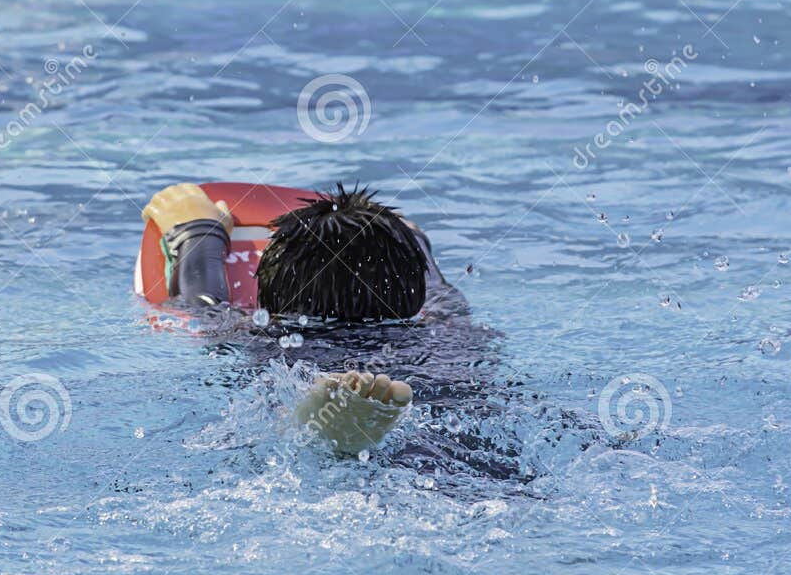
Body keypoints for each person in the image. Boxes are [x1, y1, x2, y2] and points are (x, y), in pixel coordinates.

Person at [142, 181, 518, 472]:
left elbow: (201, 302)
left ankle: (321, 428)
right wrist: (405, 234)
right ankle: (341, 433)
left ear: (269, 295)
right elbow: (429, 278)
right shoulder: (445, 321)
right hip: (449, 399)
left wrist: (197, 232)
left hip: (314, 376)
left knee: (302, 427)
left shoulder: (258, 331)